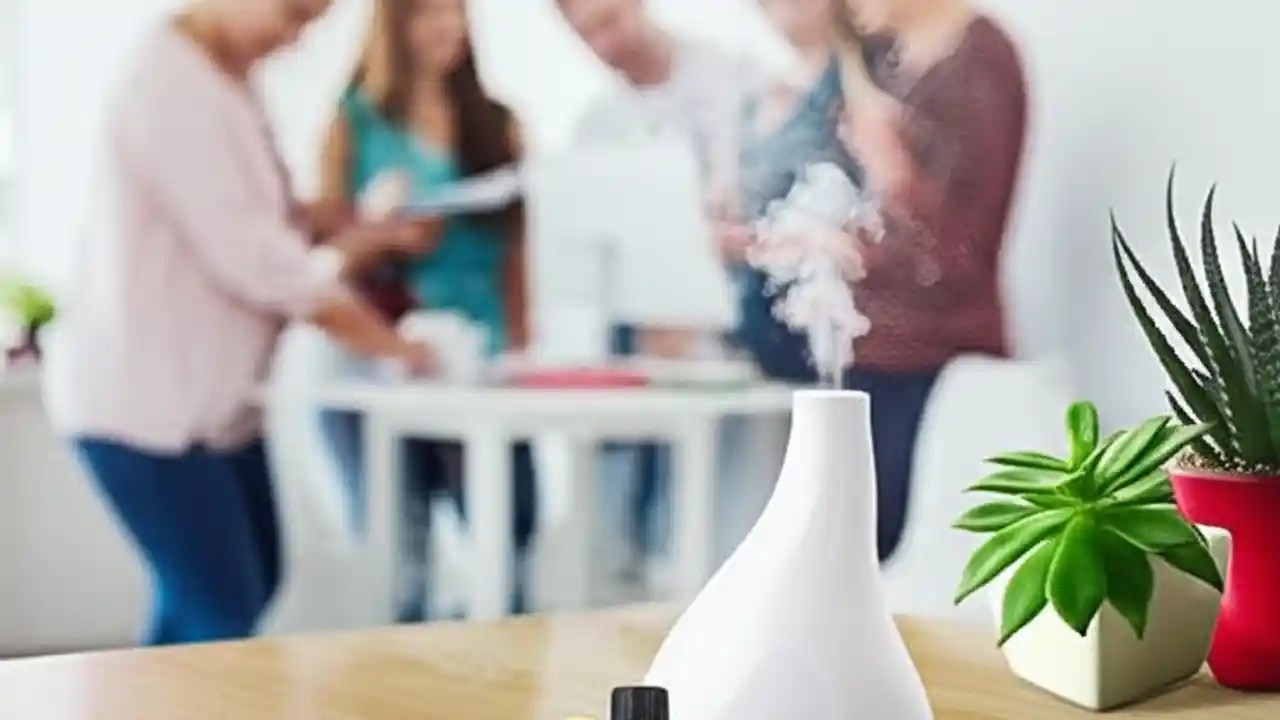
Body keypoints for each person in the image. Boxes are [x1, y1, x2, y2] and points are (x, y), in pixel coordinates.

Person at [42, 0, 438, 646]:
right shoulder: (171, 88)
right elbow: (263, 264)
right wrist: (396, 347)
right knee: (220, 612)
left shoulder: (223, 78)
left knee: (229, 596)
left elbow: (265, 215)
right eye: (290, 15)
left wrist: (351, 224)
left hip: (212, 411)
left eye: (308, 24)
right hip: (148, 413)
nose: (293, 39)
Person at [316, 0, 535, 620]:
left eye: (458, 12)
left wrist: (523, 346)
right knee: (402, 561)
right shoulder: (352, 124)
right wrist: (384, 235)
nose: (449, 26)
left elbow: (518, 255)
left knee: (509, 535)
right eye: (429, 13)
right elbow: (321, 265)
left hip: (484, 365)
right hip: (386, 368)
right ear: (393, 23)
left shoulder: (498, 125)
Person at [557, 0, 763, 577]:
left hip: (726, 336)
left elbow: (749, 207)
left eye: (611, 20)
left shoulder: (732, 81)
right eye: (587, 32)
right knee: (620, 531)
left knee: (708, 529)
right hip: (633, 340)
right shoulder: (597, 124)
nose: (606, 42)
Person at [836, 0, 1027, 559]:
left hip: (932, 371)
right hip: (876, 361)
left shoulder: (981, 60)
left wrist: (896, 174)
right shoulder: (894, 64)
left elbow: (957, 256)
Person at [721, 0, 865, 383]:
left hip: (825, 326)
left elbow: (873, 206)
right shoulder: (760, 95)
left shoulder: (858, 83)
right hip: (758, 322)